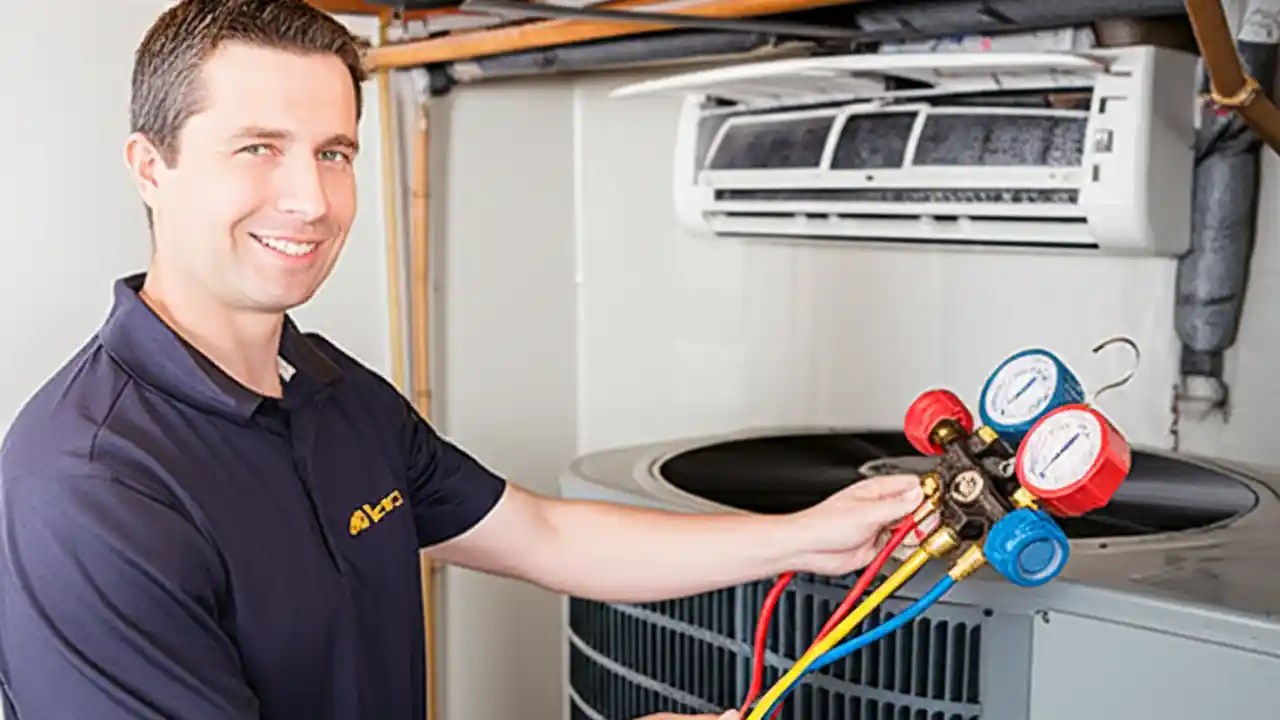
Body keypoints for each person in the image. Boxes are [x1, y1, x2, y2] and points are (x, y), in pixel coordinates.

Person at [0, 1, 925, 719]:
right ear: (149, 166)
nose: (311, 200)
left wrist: (806, 534)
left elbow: (542, 536)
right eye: (258, 148)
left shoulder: (332, 391)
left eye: (332, 152)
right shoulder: (89, 486)